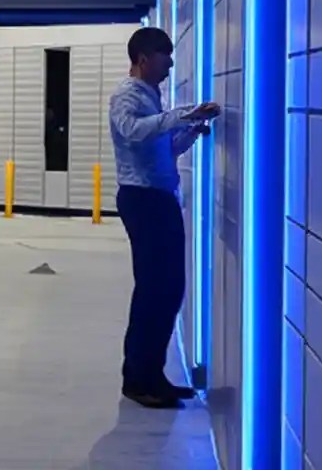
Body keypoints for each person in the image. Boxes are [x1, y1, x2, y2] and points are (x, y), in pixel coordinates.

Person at [108, 26, 220, 409]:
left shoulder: (150, 95)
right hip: (143, 200)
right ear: (143, 58)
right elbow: (131, 131)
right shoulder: (127, 95)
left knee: (168, 289)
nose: (171, 62)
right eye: (165, 55)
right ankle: (138, 380)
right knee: (156, 290)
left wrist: (190, 130)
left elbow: (162, 147)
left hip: (157, 198)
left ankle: (152, 376)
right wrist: (181, 114)